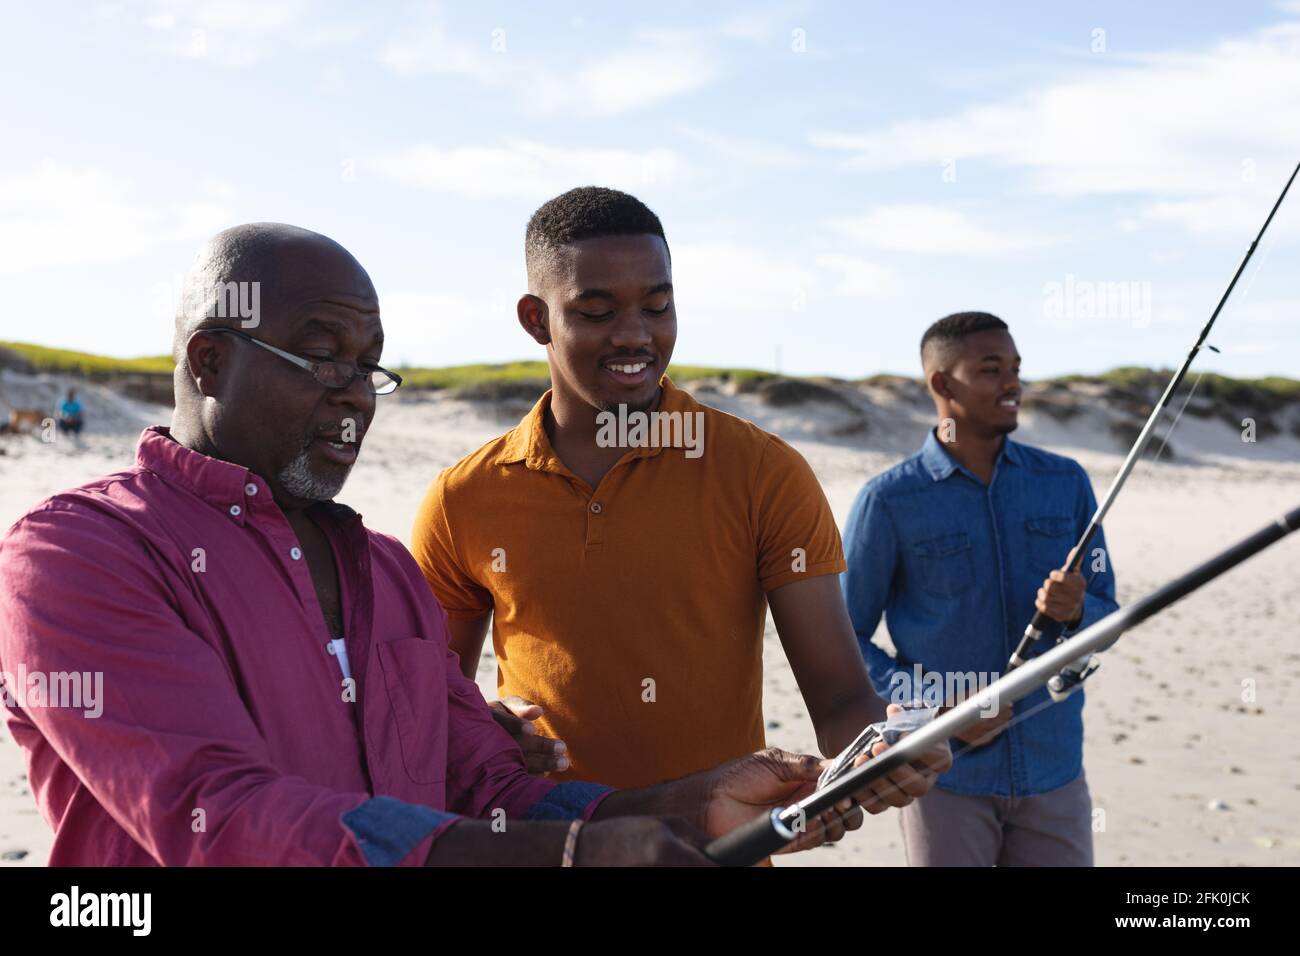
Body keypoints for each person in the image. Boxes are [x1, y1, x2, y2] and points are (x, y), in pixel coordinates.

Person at [0, 223, 887, 867]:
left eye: (371, 365)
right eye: (323, 358)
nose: (357, 395)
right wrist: (574, 857)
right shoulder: (79, 554)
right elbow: (217, 816)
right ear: (208, 362)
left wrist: (686, 809)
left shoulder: (383, 568)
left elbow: (488, 790)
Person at [411, 187, 951, 814]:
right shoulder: (463, 497)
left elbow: (838, 702)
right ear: (536, 319)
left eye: (657, 305)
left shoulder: (762, 472)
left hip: (721, 849)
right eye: (596, 311)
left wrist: (883, 748)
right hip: (548, 847)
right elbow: (426, 716)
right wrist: (487, 732)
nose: (635, 335)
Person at [841, 311, 1119, 866]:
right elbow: (844, 640)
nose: (1013, 382)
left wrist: (1076, 611)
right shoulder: (889, 500)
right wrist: (938, 707)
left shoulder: (1065, 483)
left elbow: (1107, 617)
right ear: (942, 384)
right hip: (943, 779)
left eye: (1015, 368)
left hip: (1056, 771)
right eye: (991, 369)